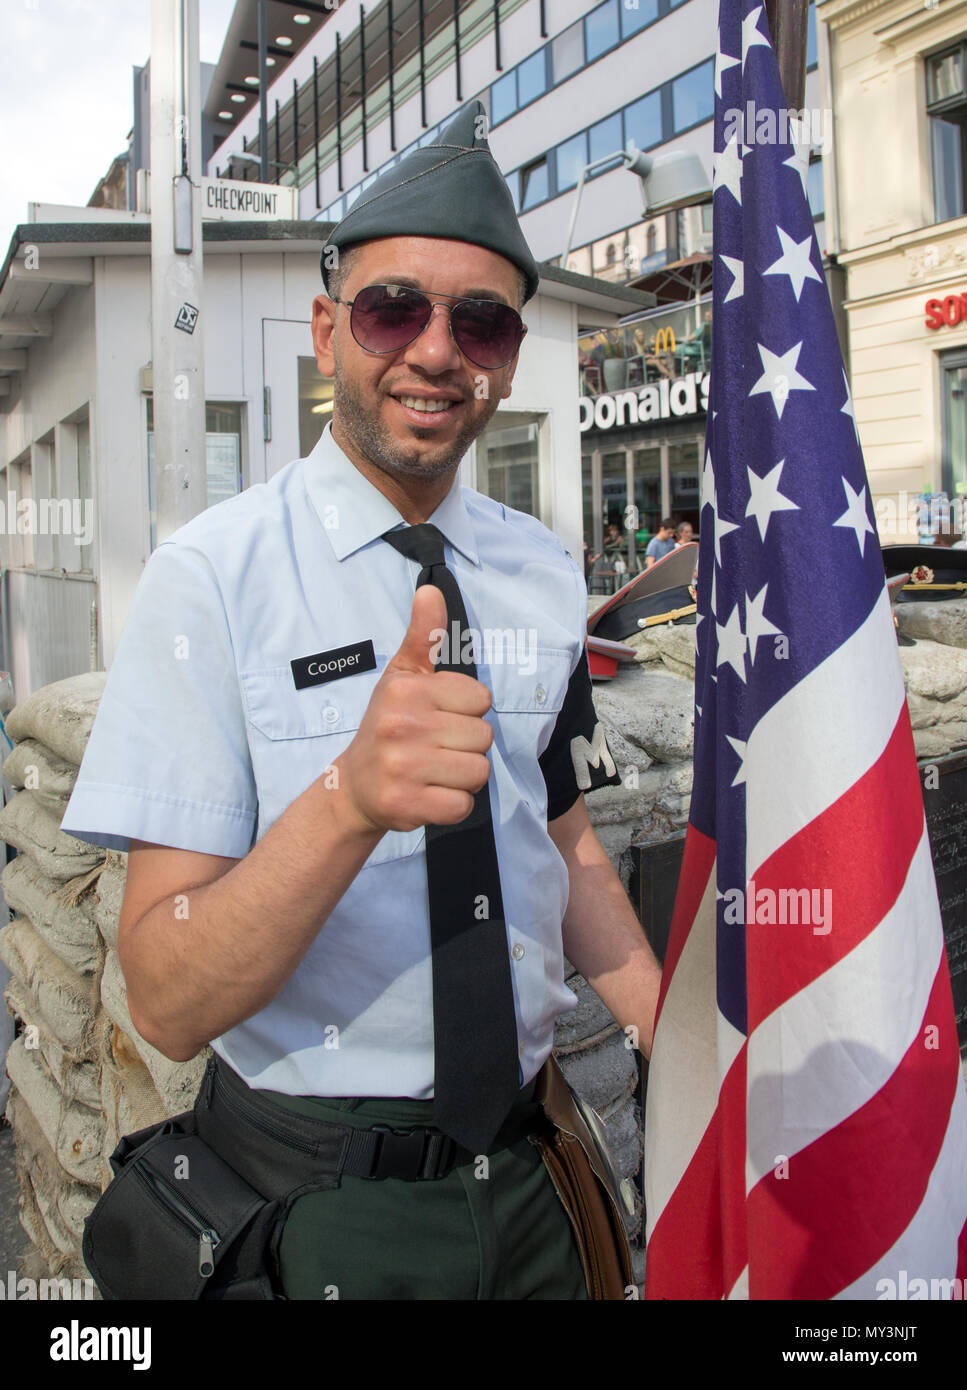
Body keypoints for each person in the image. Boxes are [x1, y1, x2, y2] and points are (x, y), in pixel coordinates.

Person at [61, 100, 662, 1301]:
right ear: (331, 329)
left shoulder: (540, 569)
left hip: (539, 1185)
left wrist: (681, 1039)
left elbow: (562, 834)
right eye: (397, 308)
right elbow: (167, 1002)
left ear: (507, 356)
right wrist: (348, 802)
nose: (437, 350)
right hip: (324, 1209)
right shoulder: (212, 580)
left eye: (482, 323)